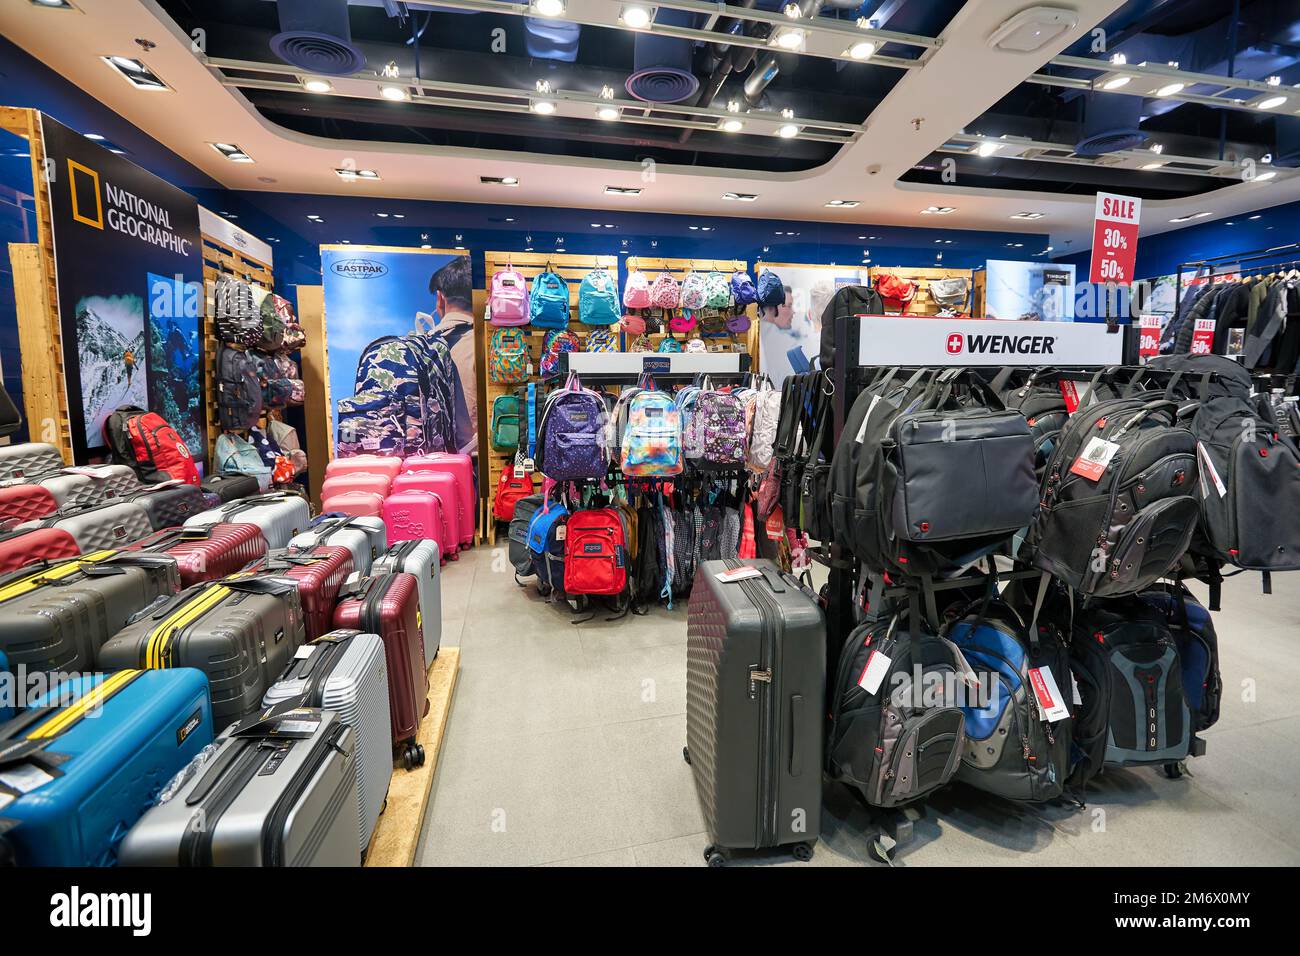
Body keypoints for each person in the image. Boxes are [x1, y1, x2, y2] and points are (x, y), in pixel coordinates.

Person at [424, 256, 477, 456]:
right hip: (482, 465)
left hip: (431, 467)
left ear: (440, 298)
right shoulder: (491, 348)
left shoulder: (420, 346)